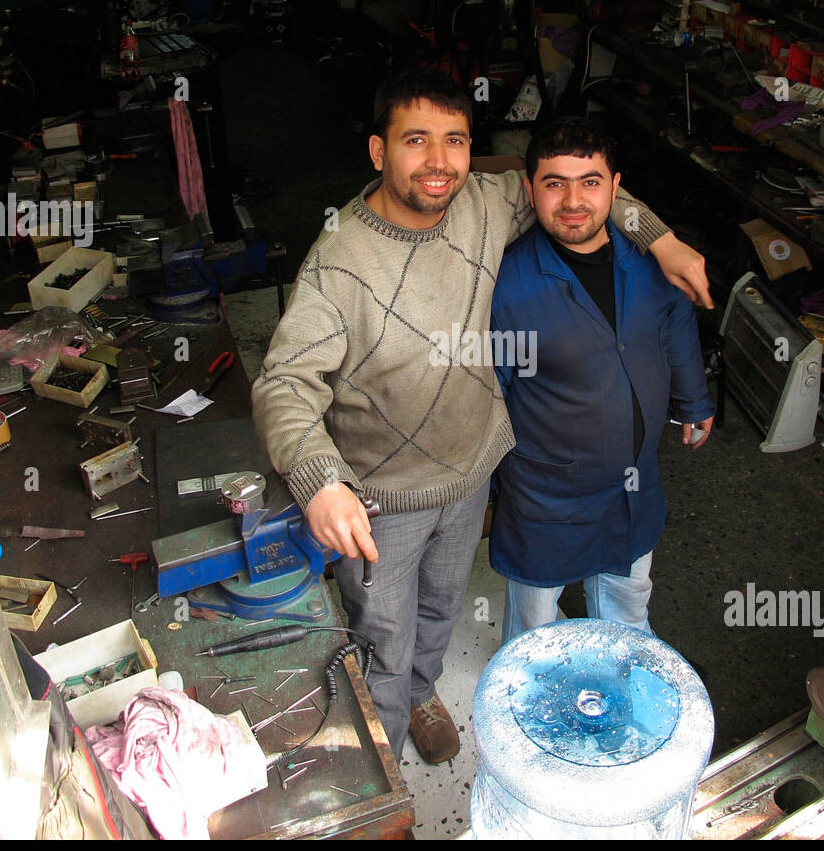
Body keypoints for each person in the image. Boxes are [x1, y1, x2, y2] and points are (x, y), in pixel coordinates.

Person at [252, 68, 712, 763]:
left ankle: (423, 692)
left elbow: (584, 190)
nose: (439, 163)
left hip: (470, 477)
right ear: (379, 152)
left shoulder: (484, 201)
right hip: (382, 498)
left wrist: (661, 239)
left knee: (441, 612)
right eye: (416, 141)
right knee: (383, 634)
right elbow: (285, 381)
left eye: (455, 141)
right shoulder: (337, 262)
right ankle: (383, 769)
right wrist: (319, 480)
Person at [488, 117, 715, 642]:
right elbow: (487, 395)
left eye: (590, 182)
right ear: (529, 190)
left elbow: (676, 327)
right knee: (535, 623)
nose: (573, 200)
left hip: (633, 481)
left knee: (627, 604)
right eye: (554, 183)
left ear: (616, 188)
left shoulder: (650, 264)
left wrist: (693, 400)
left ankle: (621, 681)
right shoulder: (506, 286)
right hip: (544, 492)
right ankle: (526, 706)